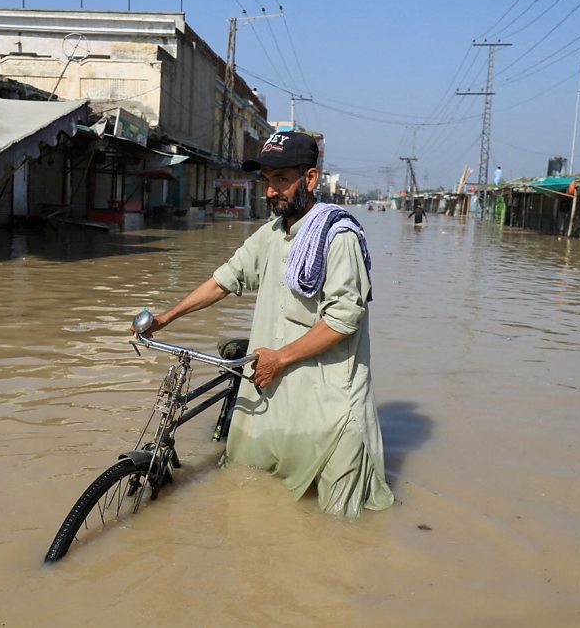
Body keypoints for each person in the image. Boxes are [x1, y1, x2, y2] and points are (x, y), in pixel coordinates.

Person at [141, 131, 394, 516]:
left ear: (310, 179)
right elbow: (225, 279)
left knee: (342, 521)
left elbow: (343, 322)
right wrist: (166, 317)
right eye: (266, 181)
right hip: (278, 388)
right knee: (249, 495)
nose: (271, 191)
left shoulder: (337, 238)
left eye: (281, 180)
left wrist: (279, 358)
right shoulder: (271, 235)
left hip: (329, 399)